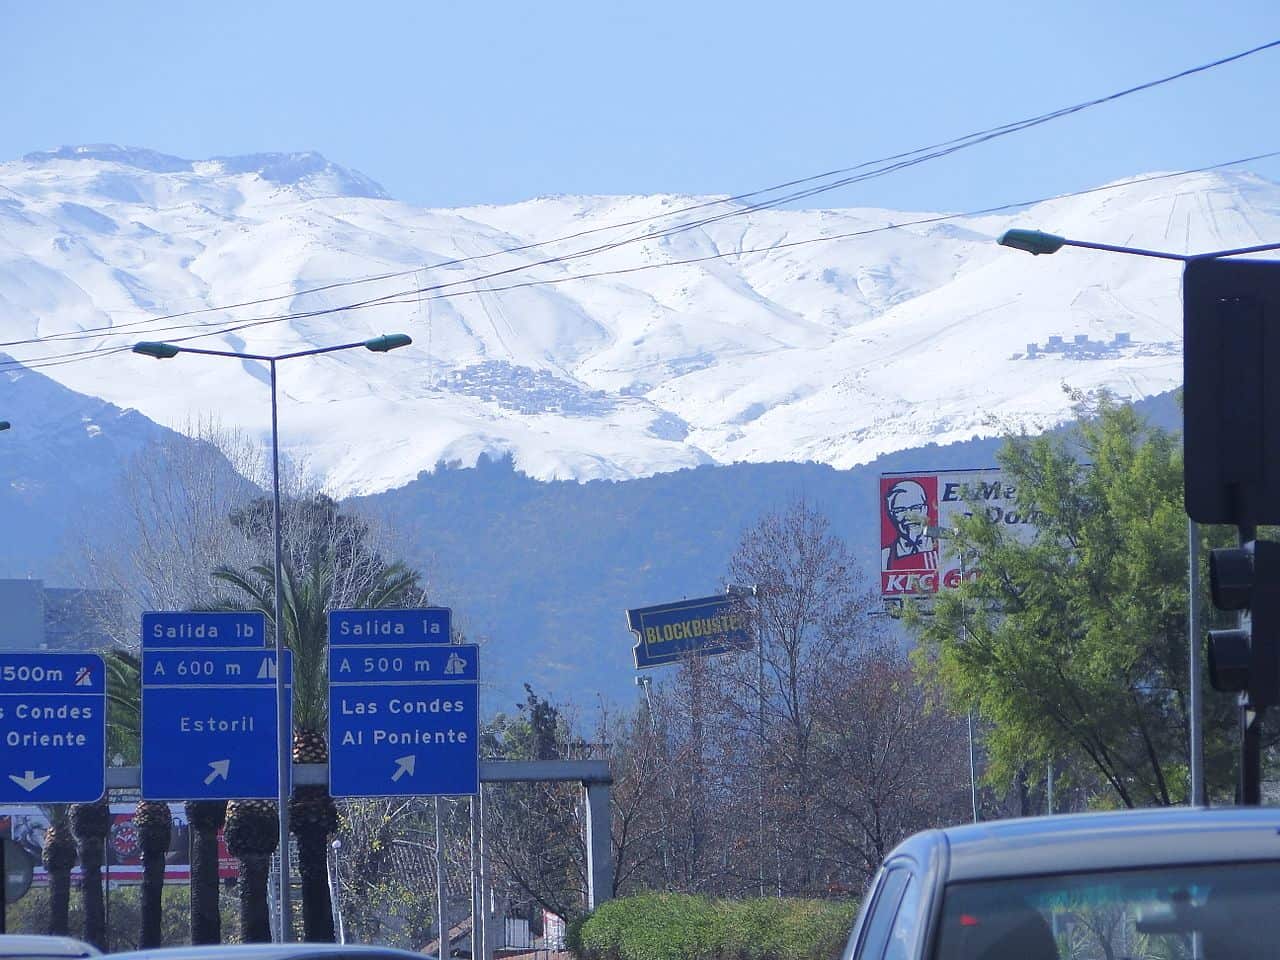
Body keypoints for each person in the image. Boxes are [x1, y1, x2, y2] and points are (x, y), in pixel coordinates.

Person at [881, 479, 938, 571]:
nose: (909, 516)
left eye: (915, 508)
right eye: (900, 510)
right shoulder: (885, 557)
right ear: (891, 515)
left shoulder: (944, 548)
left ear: (925, 509)